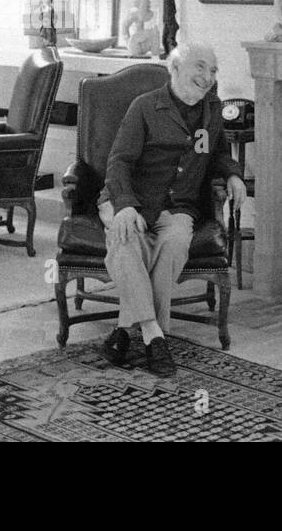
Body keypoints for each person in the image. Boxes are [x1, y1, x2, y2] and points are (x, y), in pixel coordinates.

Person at [98, 43, 247, 377]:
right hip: (129, 200)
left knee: (175, 243)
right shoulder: (145, 107)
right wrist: (124, 207)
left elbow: (219, 153)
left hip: (178, 206)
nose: (208, 77)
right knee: (128, 240)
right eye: (200, 67)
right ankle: (153, 334)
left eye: (213, 70)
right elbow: (119, 161)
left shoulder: (212, 109)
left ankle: (124, 330)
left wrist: (234, 174)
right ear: (175, 68)